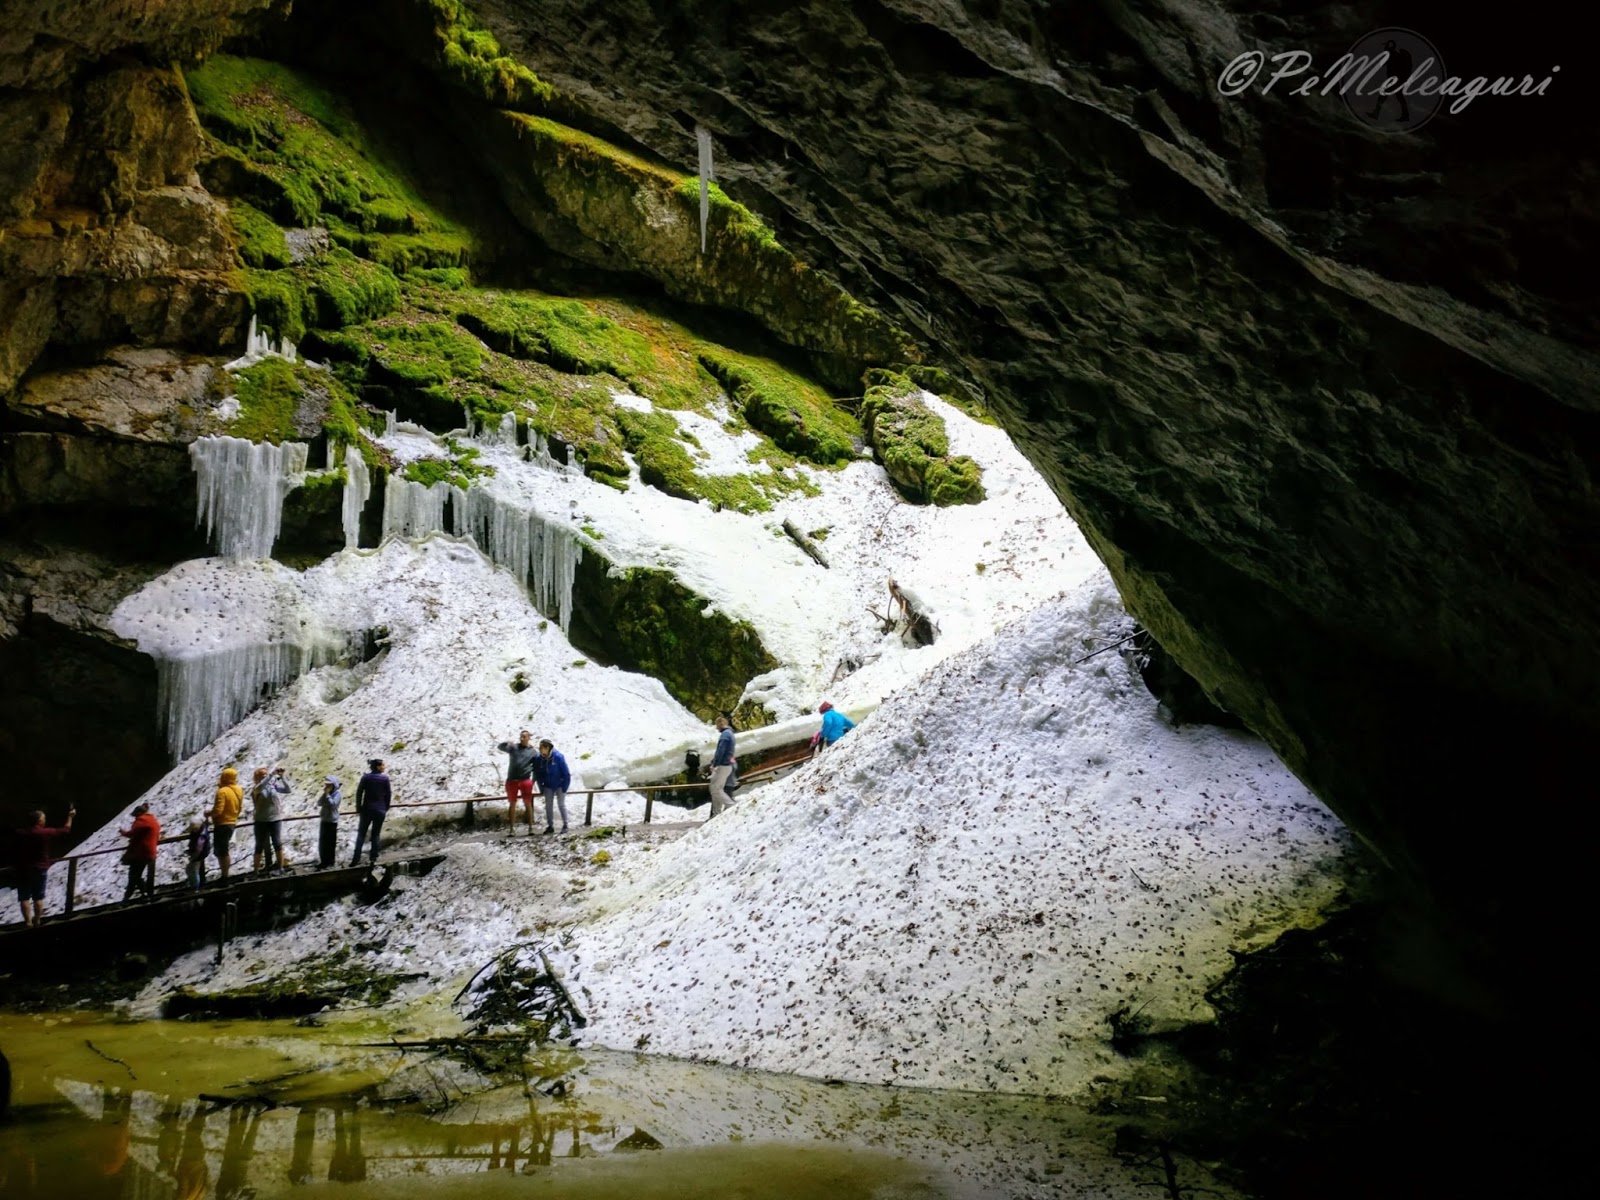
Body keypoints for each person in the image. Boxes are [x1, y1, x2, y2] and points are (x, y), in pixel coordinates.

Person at [12, 805, 74, 926]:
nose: (45, 820)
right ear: (39, 821)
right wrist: (70, 817)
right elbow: (66, 830)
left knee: (24, 898)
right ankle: (37, 920)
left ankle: (27, 922)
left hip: (23, 869)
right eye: (43, 818)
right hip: (40, 869)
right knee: (38, 898)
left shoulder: (21, 833)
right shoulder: (45, 833)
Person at [496, 730, 539, 835]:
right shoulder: (514, 748)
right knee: (512, 803)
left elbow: (537, 767)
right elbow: (500, 747)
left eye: (524, 737)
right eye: (521, 736)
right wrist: (507, 743)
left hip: (525, 780)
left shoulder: (533, 752)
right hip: (512, 780)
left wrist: (533, 780)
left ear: (528, 738)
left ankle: (530, 828)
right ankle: (512, 829)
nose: (522, 738)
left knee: (527, 803)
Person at [250, 766, 292, 874]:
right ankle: (255, 871)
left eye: (266, 774)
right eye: (263, 775)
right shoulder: (256, 788)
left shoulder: (272, 786)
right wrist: (271, 775)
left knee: (277, 843)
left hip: (275, 819)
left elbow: (288, 790)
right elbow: (259, 788)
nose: (265, 777)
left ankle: (280, 868)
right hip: (261, 820)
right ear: (257, 777)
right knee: (259, 846)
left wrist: (282, 777)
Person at [351, 759, 391, 866]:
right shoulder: (385, 779)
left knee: (361, 834)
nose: (384, 767)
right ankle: (373, 857)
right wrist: (385, 807)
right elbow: (388, 794)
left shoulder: (366, 778)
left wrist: (358, 807)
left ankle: (356, 858)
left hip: (367, 809)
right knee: (376, 834)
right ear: (378, 767)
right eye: (382, 765)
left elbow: (359, 792)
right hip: (380, 810)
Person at [119, 802, 160, 902]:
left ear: (139, 813)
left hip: (141, 853)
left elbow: (132, 833)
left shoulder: (141, 821)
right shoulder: (153, 820)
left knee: (133, 875)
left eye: (135, 815)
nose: (135, 818)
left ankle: (129, 897)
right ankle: (144, 894)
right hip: (150, 852)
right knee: (136, 875)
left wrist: (123, 832)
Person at [211, 766, 244, 882]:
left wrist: (209, 814)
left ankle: (224, 876)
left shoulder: (222, 791)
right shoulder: (238, 790)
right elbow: (240, 807)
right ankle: (225, 875)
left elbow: (218, 810)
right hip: (232, 822)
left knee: (222, 852)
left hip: (222, 824)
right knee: (224, 850)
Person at [536, 739, 571, 834]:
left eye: (541, 747)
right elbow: (539, 774)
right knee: (548, 806)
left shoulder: (558, 757)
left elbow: (566, 773)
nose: (540, 749)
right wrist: (541, 786)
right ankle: (550, 826)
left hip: (560, 784)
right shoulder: (540, 759)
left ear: (547, 748)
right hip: (548, 785)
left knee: (561, 804)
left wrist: (565, 787)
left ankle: (566, 824)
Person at [708, 716, 735, 817]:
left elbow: (721, 750)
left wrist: (715, 764)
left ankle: (731, 805)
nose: (716, 728)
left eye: (717, 725)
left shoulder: (725, 735)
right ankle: (716, 813)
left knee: (715, 789)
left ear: (721, 724)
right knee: (716, 788)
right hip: (727, 765)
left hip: (723, 765)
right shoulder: (730, 734)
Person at [317, 776, 342, 869]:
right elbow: (319, 803)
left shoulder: (337, 793)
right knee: (323, 843)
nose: (327, 787)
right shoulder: (327, 794)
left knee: (330, 843)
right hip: (324, 820)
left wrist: (327, 795)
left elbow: (333, 804)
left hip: (332, 821)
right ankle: (323, 861)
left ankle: (330, 861)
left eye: (329, 785)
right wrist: (325, 795)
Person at [185, 816, 211, 891]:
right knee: (196, 869)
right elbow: (207, 823)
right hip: (202, 852)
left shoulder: (201, 836)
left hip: (199, 855)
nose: (194, 830)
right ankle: (200, 885)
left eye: (195, 829)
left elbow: (198, 849)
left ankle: (195, 888)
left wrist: (193, 857)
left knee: (193, 870)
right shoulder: (203, 827)